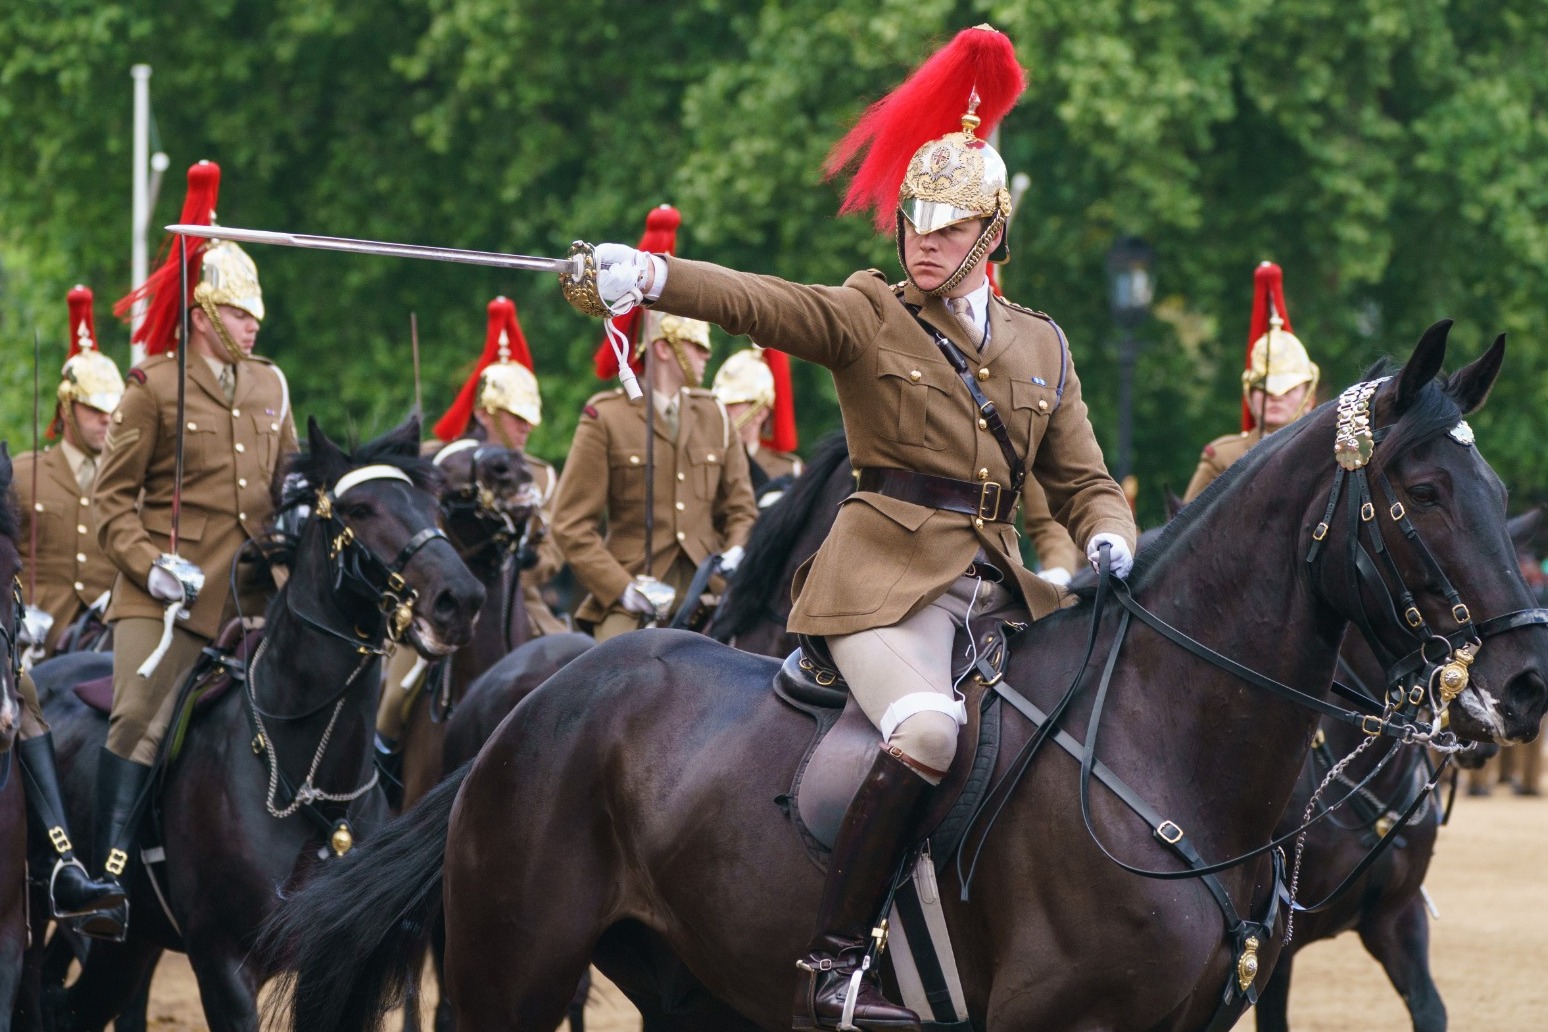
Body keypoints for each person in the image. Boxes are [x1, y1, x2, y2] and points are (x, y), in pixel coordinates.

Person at [574, 27, 1136, 1031]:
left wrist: (1107, 541)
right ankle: (836, 965)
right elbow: (766, 303)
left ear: (992, 236)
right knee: (928, 729)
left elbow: (1086, 480)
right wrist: (656, 278)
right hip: (881, 584)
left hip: (1002, 591)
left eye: (948, 224)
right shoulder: (869, 314)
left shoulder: (1041, 344)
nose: (922, 237)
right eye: (914, 218)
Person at [87, 160, 297, 940]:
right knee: (140, 714)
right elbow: (111, 502)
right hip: (167, 595)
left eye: (256, 316)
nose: (254, 327)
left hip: (253, 590)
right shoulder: (153, 385)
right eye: (241, 316)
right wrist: (149, 565)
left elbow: (281, 489)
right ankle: (105, 876)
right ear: (205, 315)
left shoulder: (272, 387)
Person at [9, 285, 127, 929]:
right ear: (67, 407)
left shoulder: (125, 475)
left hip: (108, 631)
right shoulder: (28, 473)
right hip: (39, 636)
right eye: (95, 411)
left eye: (114, 412)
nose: (107, 421)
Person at [553, 306, 760, 641]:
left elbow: (741, 509)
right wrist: (622, 589)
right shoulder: (605, 418)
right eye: (698, 346)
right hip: (634, 597)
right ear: (663, 348)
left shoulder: (716, 416)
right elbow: (570, 525)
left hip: (711, 592)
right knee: (613, 683)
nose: (707, 355)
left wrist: (735, 550)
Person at [1183, 261, 1320, 502]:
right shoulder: (1222, 457)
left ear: (1309, 398)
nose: (1276, 396)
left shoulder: (1328, 452)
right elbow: (1184, 530)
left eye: (1289, 389)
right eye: (1263, 388)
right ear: (1250, 395)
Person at [712, 346, 804, 498]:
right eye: (720, 402)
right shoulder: (707, 460)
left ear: (760, 413)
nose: (724, 410)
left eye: (733, 403)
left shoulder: (789, 470)